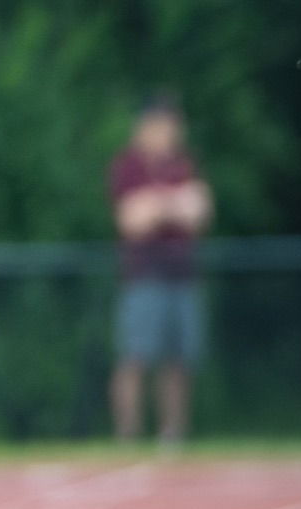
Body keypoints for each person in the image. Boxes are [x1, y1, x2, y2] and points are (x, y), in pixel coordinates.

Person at [109, 95, 213, 447]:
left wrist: (157, 204)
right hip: (144, 276)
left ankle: (173, 434)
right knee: (135, 355)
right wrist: (174, 203)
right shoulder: (129, 167)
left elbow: (200, 213)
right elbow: (131, 220)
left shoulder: (184, 164)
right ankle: (128, 433)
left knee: (179, 360)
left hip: (182, 275)